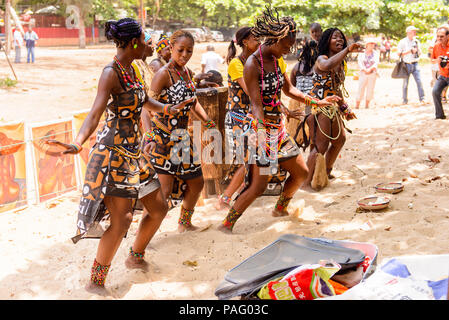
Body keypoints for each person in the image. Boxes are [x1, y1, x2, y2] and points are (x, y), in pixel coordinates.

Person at [45, 18, 192, 295]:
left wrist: (170, 108)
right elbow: (94, 113)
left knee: (159, 207)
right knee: (122, 220)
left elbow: (144, 102)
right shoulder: (110, 72)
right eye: (147, 40)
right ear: (134, 43)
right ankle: (96, 281)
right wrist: (78, 143)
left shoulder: (133, 69)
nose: (151, 45)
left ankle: (135, 256)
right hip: (112, 156)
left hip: (133, 154)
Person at [218, 7, 340, 233]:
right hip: (260, 128)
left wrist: (318, 102)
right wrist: (263, 133)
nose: (289, 49)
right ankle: (227, 224)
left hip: (278, 129)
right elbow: (255, 103)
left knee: (301, 173)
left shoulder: (277, 59)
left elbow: (290, 90)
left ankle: (279, 209)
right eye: (286, 45)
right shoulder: (252, 64)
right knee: (258, 185)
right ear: (275, 40)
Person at [144, 30, 216, 233]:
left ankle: (184, 223)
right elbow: (145, 107)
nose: (184, 55)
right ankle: (145, 239)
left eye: (189, 51)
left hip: (182, 139)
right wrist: (150, 135)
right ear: (171, 48)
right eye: (180, 50)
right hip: (163, 139)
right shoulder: (162, 74)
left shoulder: (186, 73)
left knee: (197, 182)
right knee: (162, 193)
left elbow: (193, 102)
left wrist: (207, 121)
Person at [300, 27, 360, 191]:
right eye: (335, 37)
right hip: (317, 107)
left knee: (339, 140)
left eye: (341, 38)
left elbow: (336, 88)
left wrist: (345, 109)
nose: (339, 40)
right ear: (327, 41)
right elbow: (326, 66)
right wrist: (348, 50)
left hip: (331, 106)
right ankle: (305, 182)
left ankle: (325, 171)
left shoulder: (339, 64)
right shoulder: (321, 59)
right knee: (320, 145)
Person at [216, 26, 260, 210]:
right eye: (255, 38)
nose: (259, 42)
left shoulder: (253, 61)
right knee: (247, 158)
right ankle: (225, 199)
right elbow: (251, 91)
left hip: (250, 117)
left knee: (251, 158)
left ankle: (238, 192)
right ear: (244, 42)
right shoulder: (236, 64)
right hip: (238, 118)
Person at [397, 26, 426, 105]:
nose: (415, 33)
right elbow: (399, 54)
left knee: (419, 81)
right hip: (406, 64)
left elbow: (420, 52)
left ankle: (422, 98)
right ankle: (404, 100)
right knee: (405, 83)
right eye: (413, 31)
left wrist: (417, 52)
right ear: (408, 32)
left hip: (415, 63)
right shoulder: (402, 42)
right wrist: (409, 51)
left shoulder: (416, 41)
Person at [431, 26, 449, 120]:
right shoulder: (436, 46)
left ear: (447, 36)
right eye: (438, 36)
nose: (439, 38)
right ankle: (439, 115)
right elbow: (432, 60)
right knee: (435, 92)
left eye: (441, 36)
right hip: (442, 75)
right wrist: (437, 60)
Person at [355, 39, 379, 109]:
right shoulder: (362, 53)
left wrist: (370, 69)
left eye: (373, 44)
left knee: (370, 89)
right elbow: (359, 62)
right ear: (367, 45)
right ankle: (357, 104)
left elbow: (376, 63)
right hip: (363, 73)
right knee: (360, 88)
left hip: (372, 73)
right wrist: (364, 69)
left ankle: (367, 104)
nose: (372, 45)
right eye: (370, 44)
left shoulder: (376, 53)